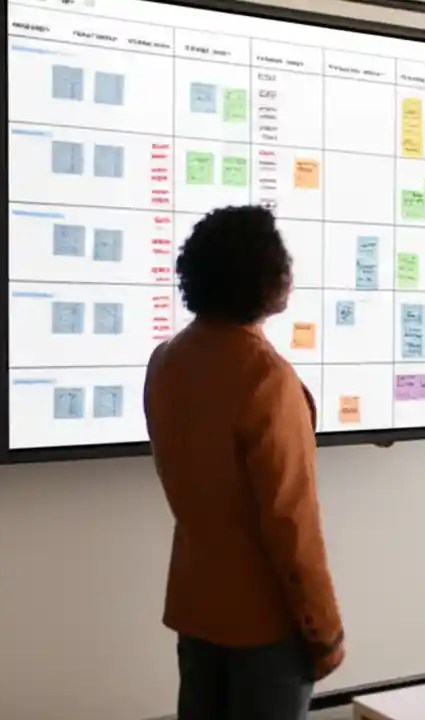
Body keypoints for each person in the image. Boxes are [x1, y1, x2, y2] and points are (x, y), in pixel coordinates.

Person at [144, 206, 345, 720]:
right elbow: (291, 526)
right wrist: (324, 632)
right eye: (282, 261)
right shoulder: (266, 379)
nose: (291, 273)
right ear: (256, 276)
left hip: (197, 608)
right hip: (266, 626)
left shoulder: (167, 360)